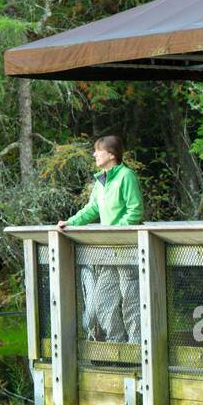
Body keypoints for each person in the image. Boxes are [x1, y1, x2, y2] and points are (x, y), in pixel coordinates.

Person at [57, 134, 143, 345]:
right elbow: (92, 208)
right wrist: (70, 222)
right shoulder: (101, 180)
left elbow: (135, 211)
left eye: (99, 150)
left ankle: (137, 347)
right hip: (107, 251)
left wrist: (115, 231)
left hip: (127, 249)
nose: (94, 154)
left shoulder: (126, 176)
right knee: (103, 301)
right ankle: (117, 347)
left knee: (131, 301)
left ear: (112, 154)